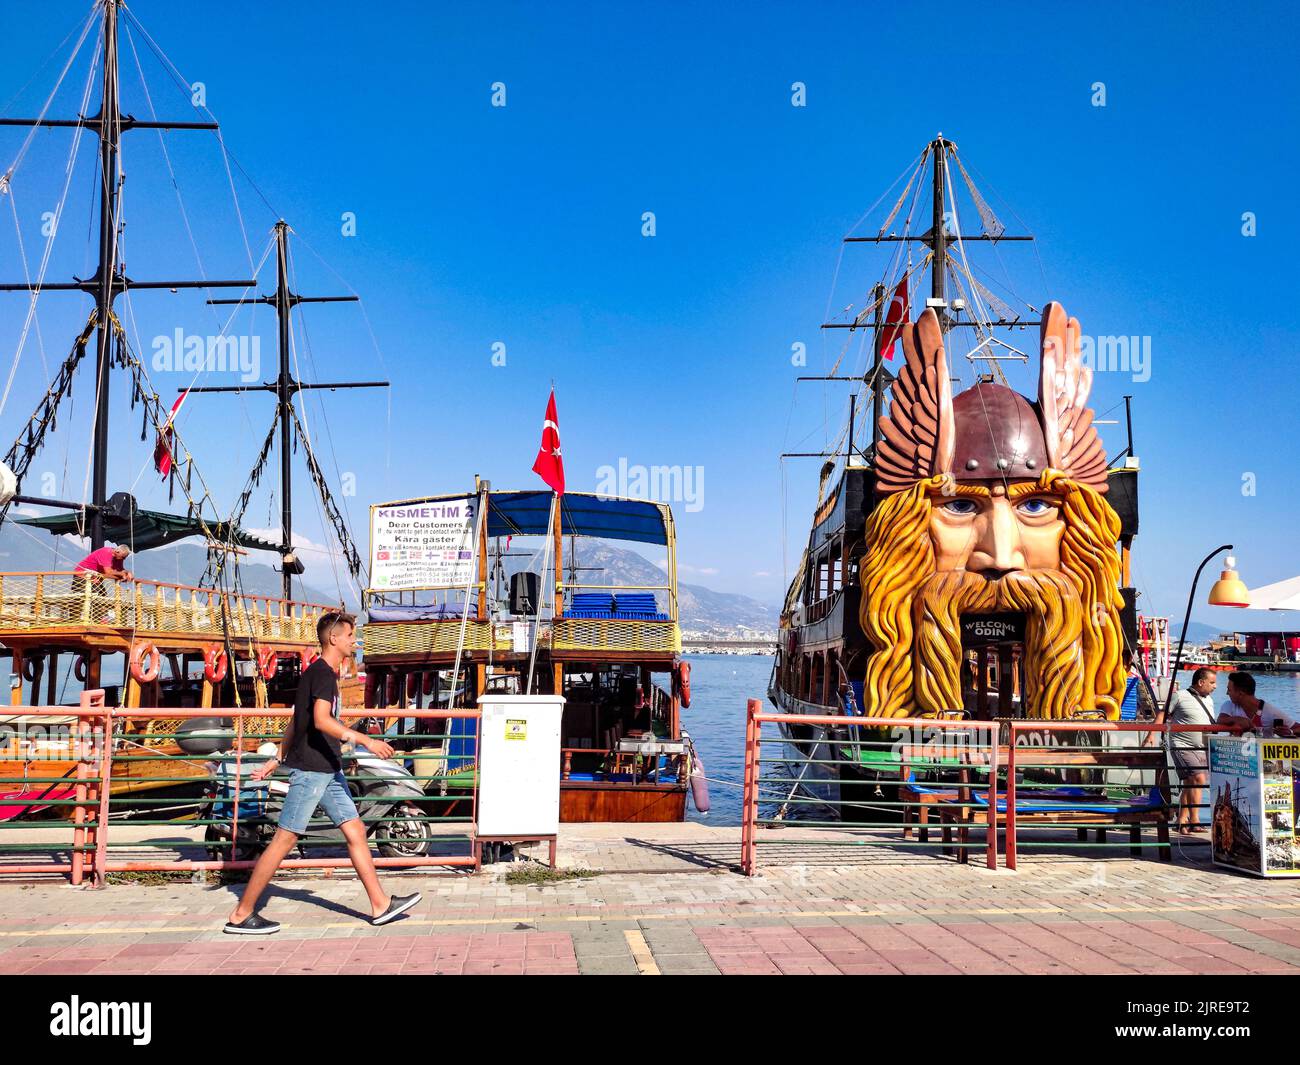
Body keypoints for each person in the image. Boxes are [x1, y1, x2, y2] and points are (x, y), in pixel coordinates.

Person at [224, 610, 421, 934]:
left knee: (355, 831)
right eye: (349, 636)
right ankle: (241, 914)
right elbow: (319, 720)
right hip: (313, 771)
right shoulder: (324, 675)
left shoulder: (319, 673)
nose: (353, 641)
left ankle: (380, 905)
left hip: (328, 770)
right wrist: (364, 739)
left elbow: (295, 721)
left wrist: (276, 759)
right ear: (334, 638)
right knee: (284, 840)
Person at [1155, 667, 1218, 834]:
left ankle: (1182, 820)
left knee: (1189, 782)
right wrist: (1151, 735)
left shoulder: (1209, 700)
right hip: (1182, 745)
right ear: (1201, 682)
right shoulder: (1180, 695)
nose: (1215, 686)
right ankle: (1195, 820)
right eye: (1212, 683)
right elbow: (1163, 714)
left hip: (1201, 747)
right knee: (1198, 778)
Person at [1218, 671, 1298, 736]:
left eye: (1229, 690)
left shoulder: (1270, 712)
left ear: (1240, 694)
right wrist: (1237, 719)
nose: (1227, 693)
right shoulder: (1228, 705)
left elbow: (1298, 727)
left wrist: (1290, 732)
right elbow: (1220, 720)